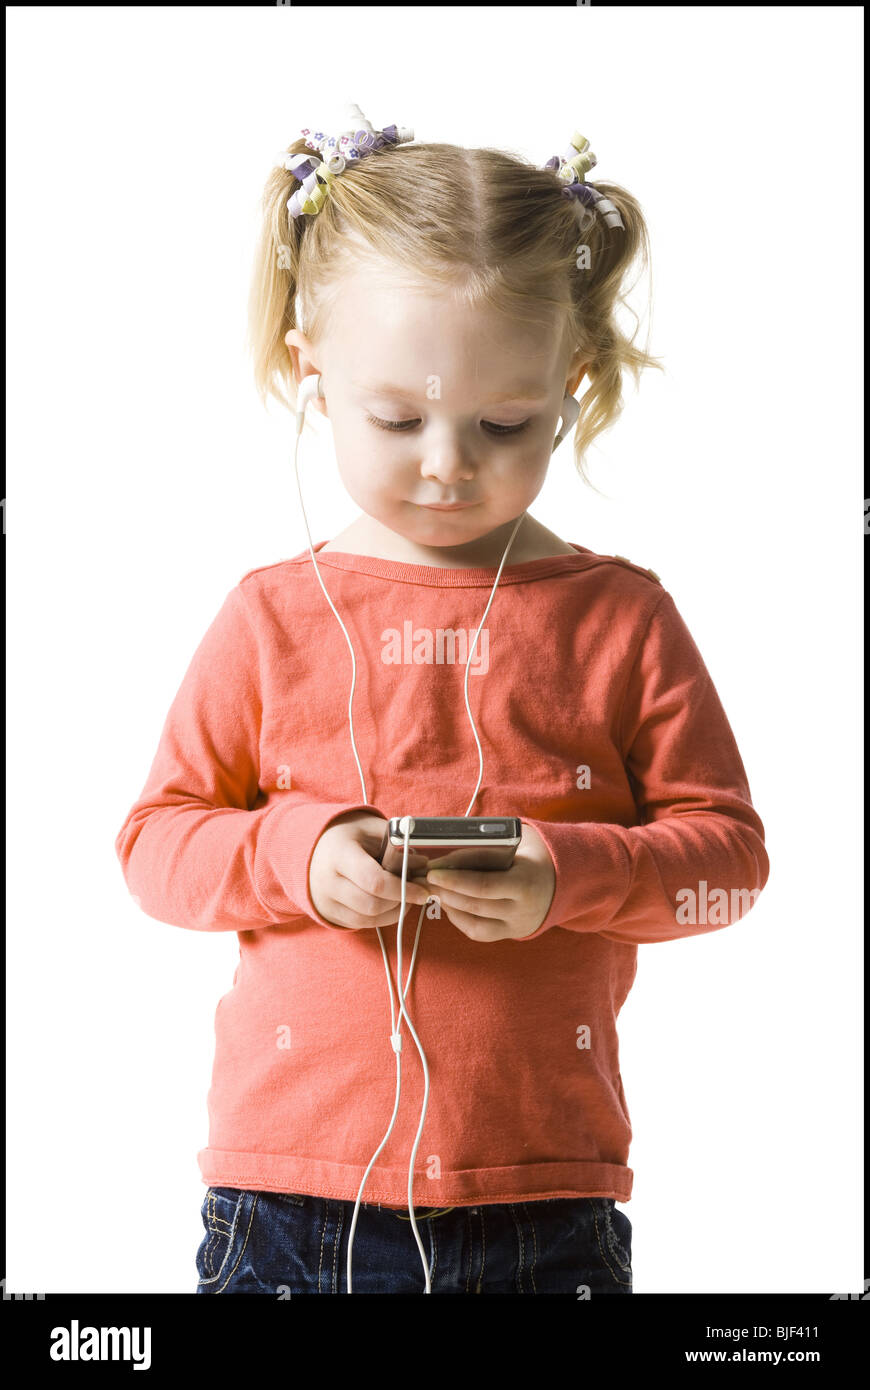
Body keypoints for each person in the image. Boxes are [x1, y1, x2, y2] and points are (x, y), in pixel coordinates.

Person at [115, 110, 769, 1295]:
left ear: (572, 386)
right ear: (309, 370)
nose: (446, 463)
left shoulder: (621, 619)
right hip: (290, 1198)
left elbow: (726, 857)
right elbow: (156, 844)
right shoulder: (272, 615)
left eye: (503, 424)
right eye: (398, 418)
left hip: (544, 1196)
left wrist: (564, 878)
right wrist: (299, 851)